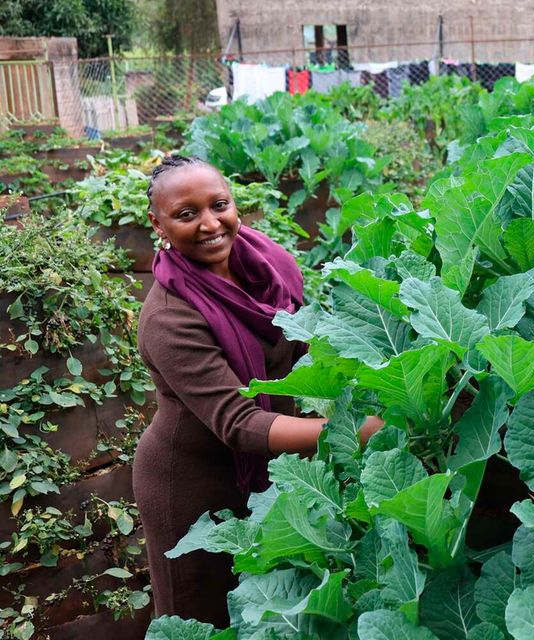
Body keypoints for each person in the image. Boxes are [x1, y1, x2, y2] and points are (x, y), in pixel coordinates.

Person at [134, 155, 381, 625]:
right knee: (205, 619)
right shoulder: (168, 316)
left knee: (271, 614)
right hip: (194, 487)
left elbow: (304, 349)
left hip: (271, 471)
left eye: (218, 205)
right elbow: (239, 423)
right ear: (158, 223)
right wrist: (356, 430)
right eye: (186, 215)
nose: (209, 224)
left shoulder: (267, 266)